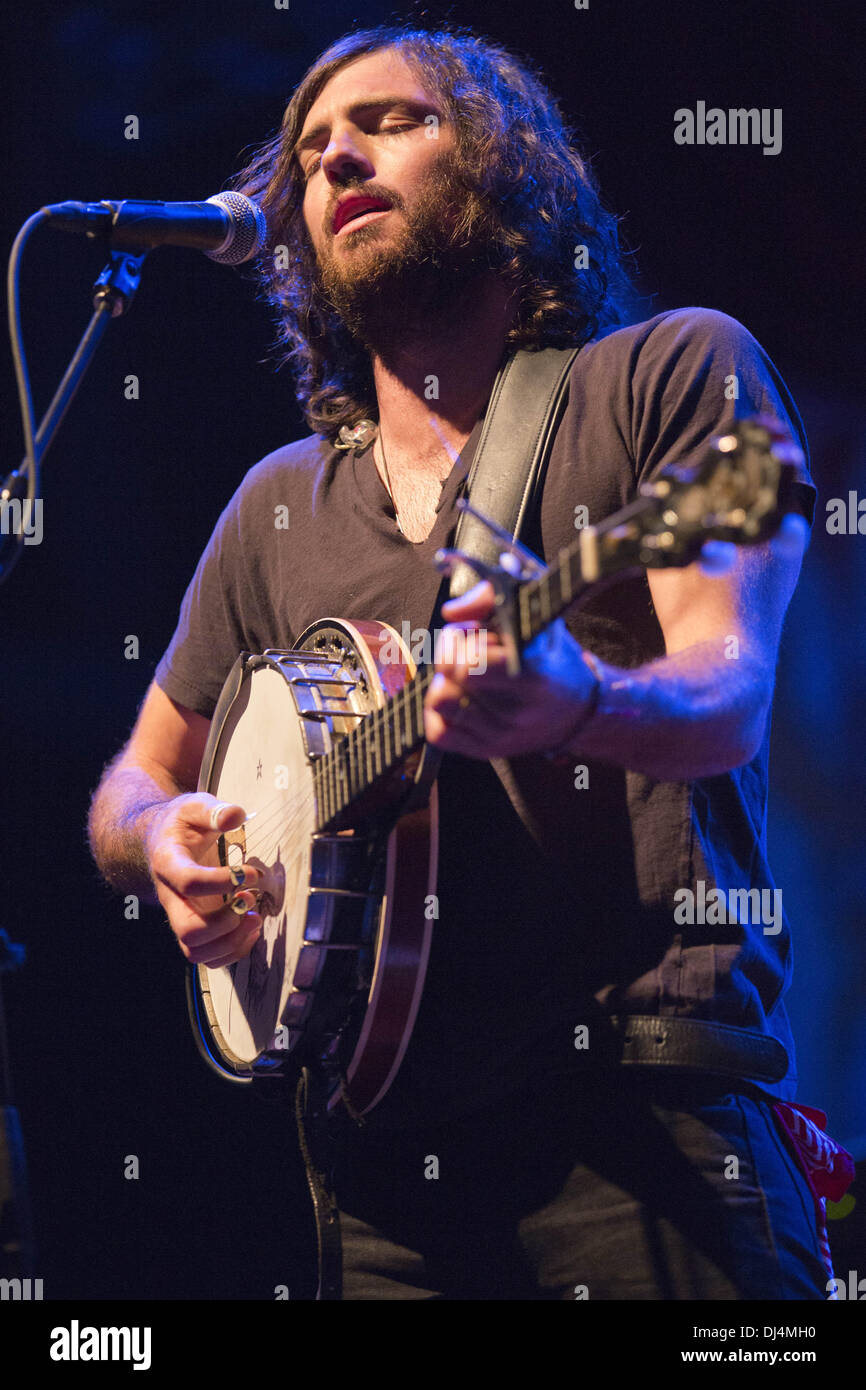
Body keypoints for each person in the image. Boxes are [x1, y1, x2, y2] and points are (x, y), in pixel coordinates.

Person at [87, 25, 835, 1300]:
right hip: (376, 1177)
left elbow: (727, 697)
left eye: (388, 122)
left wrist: (576, 702)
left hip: (640, 1124)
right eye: (314, 148)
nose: (335, 161)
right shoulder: (277, 504)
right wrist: (166, 838)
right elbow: (129, 786)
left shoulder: (665, 376)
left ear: (502, 167)